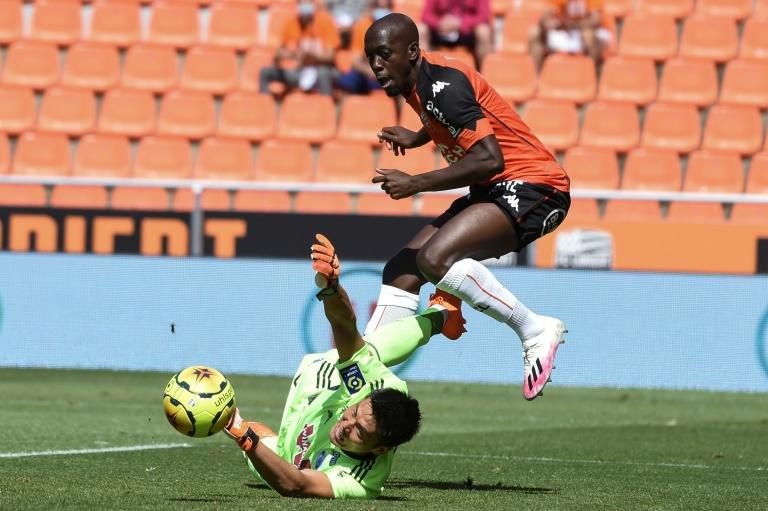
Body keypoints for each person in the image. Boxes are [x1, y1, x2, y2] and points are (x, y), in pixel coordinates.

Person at [363, 14, 571, 400]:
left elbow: (489, 159)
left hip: (536, 188)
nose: (376, 65)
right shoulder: (422, 81)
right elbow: (456, 116)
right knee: (402, 270)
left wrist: (416, 183)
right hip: (495, 189)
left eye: (383, 55)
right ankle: (365, 380)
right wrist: (419, 136)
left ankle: (534, 329)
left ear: (411, 52)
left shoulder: (443, 86)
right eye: (370, 57)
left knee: (434, 259)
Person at [224, 234, 466, 499]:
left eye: (360, 432)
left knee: (273, 458)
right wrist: (331, 288)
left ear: (380, 450)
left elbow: (295, 485)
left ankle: (441, 316)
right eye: (353, 415)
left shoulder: (359, 481)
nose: (346, 426)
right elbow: (343, 325)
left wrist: (238, 429)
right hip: (327, 379)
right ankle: (441, 315)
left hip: (299, 428)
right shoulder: (365, 390)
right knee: (370, 349)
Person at [259, 0, 340, 96]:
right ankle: (264, 106)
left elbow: (331, 56)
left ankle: (325, 108)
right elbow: (279, 53)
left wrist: (314, 56)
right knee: (265, 72)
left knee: (323, 73)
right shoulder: (292, 23)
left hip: (322, 70)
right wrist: (293, 54)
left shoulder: (325, 21)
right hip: (300, 71)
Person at [529, 0, 612, 70]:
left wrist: (572, 25)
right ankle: (536, 77)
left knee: (588, 35)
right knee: (534, 32)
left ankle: (593, 75)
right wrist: (550, 23)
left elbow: (595, 21)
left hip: (596, 33)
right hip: (568, 33)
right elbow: (545, 17)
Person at [336, 0, 393, 94]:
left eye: (385, 8)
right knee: (346, 82)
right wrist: (370, 71)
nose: (382, 11)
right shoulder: (361, 26)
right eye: (378, 7)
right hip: (366, 73)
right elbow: (355, 61)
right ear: (372, 8)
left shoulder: (398, 28)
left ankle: (400, 108)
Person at [417, 0, 493, 69]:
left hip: (468, 32)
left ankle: (484, 76)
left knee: (483, 31)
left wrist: (460, 24)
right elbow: (426, 15)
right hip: (440, 30)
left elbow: (483, 16)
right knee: (421, 29)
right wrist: (440, 24)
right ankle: (424, 75)